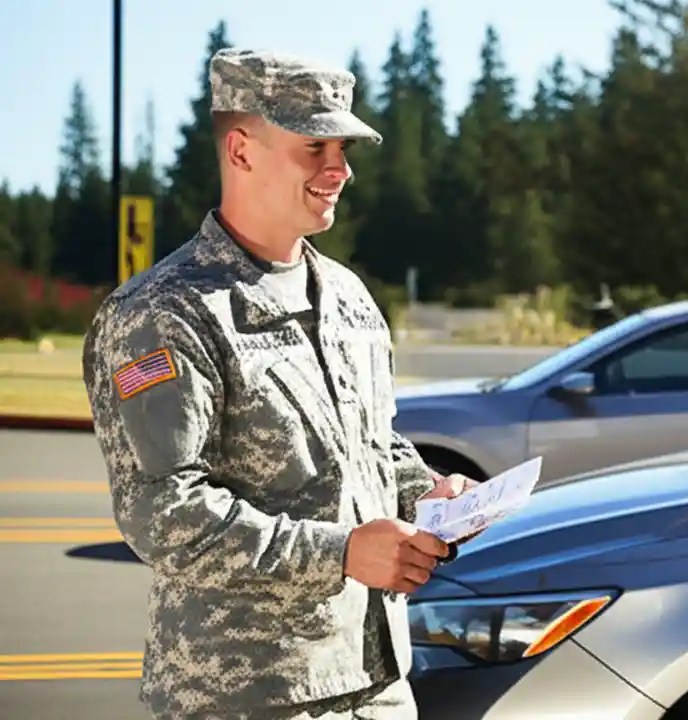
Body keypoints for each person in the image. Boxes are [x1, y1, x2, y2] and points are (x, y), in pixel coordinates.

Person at [81, 48, 473, 719]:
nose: (340, 170)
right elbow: (164, 516)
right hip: (251, 693)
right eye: (314, 145)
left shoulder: (347, 297)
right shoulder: (163, 313)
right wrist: (344, 552)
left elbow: (370, 445)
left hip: (377, 679)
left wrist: (427, 492)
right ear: (241, 150)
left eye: (344, 147)